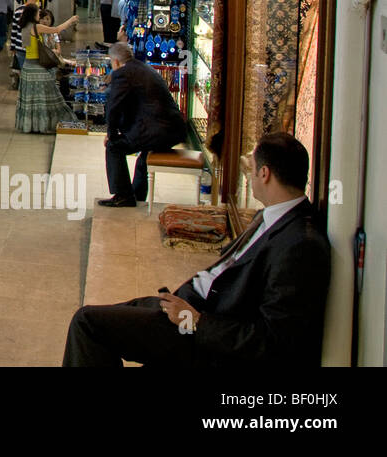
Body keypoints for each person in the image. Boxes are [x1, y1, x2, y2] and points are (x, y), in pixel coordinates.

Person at [64, 132, 330, 366]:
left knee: (88, 324)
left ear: (265, 173)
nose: (249, 173)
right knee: (110, 321)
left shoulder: (299, 245)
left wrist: (195, 321)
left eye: (252, 167)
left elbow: (273, 342)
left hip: (201, 331)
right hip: (189, 309)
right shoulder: (275, 217)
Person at [99, 41, 189, 206]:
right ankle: (137, 196)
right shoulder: (144, 68)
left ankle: (123, 196)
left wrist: (111, 135)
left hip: (157, 130)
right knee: (144, 156)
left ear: (116, 61)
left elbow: (114, 107)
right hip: (173, 130)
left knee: (114, 147)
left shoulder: (123, 73)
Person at [15, 4, 79, 134]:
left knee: (32, 98)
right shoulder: (36, 27)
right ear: (33, 14)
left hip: (27, 67)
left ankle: (31, 125)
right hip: (38, 67)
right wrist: (71, 20)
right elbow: (56, 29)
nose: (40, 15)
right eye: (38, 13)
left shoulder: (24, 28)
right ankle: (47, 124)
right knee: (50, 96)